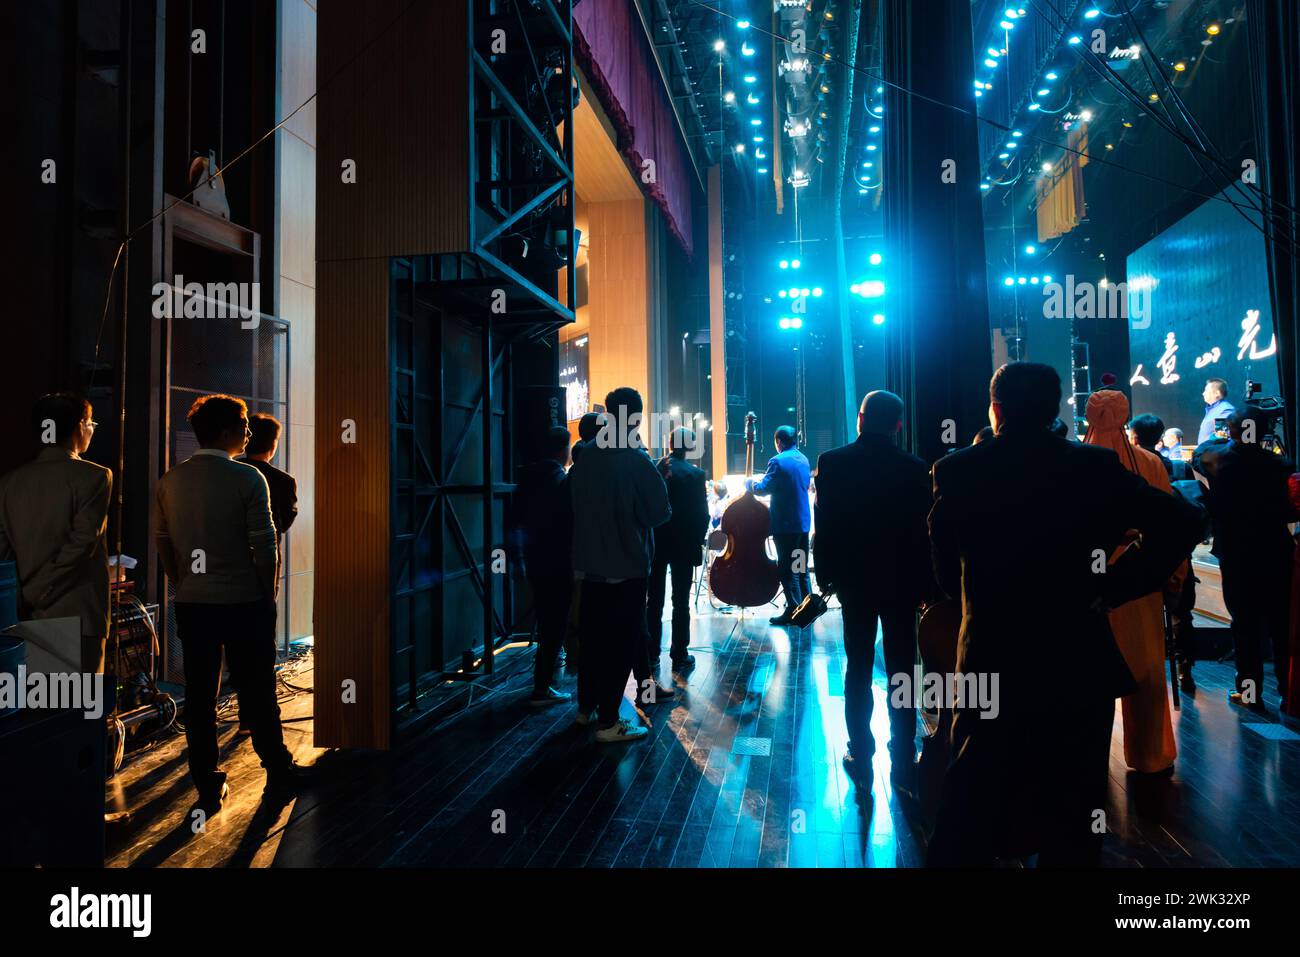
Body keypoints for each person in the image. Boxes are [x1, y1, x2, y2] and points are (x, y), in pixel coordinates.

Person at [926, 363, 1200, 867]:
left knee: (973, 798)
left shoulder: (960, 470)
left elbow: (945, 574)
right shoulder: (1092, 467)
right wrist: (1116, 586)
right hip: (1077, 658)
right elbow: (1183, 520)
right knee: (1074, 810)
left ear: (997, 409)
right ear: (1055, 409)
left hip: (993, 659)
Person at [154, 394, 305, 815]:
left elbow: (163, 541)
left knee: (200, 696)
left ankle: (207, 783)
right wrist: (266, 594)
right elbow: (264, 545)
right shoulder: (247, 478)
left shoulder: (171, 480)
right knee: (258, 688)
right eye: (242, 423)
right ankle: (277, 769)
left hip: (193, 602)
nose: (248, 431)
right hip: (243, 599)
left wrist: (181, 580)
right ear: (225, 431)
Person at [814, 391, 933, 795]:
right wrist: (924, 584)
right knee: (903, 668)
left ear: (861, 419)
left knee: (858, 666)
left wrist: (826, 576)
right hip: (901, 582)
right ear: (898, 425)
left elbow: (825, 525)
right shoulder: (915, 468)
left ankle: (859, 752)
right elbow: (922, 534)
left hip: (855, 581)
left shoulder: (833, 463)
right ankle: (903, 754)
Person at [567, 387, 671, 742]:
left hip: (587, 565)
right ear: (637, 417)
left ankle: (586, 709)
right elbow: (658, 513)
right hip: (626, 567)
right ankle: (609, 722)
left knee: (593, 639)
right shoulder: (636, 458)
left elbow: (572, 506)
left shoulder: (586, 456)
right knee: (622, 643)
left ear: (608, 413)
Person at [1086, 392, 1180, 774]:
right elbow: (1172, 525)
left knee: (1089, 675)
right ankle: (1150, 754)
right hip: (1139, 578)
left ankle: (1086, 757)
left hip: (1088, 581)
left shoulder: (1077, 462)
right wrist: (1174, 577)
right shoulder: (1149, 463)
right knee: (1145, 671)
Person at [0, 393, 111, 675]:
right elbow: (83, 543)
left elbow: (4, 553)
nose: (92, 430)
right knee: (79, 709)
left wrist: (27, 595)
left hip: (25, 613)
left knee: (44, 709)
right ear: (78, 426)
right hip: (78, 609)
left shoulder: (9, 483)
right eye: (91, 423)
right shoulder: (95, 476)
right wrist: (42, 589)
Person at [1194, 406, 1295, 713]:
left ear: (1233, 431)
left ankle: (1250, 692)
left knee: (1245, 624)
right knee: (1281, 624)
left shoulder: (1216, 461)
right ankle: (1289, 692)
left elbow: (1201, 452)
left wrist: (1229, 439)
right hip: (1276, 550)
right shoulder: (1282, 465)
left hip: (1237, 552)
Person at [514, 426, 575, 706]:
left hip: (534, 561)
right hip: (559, 563)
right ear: (564, 450)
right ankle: (542, 687)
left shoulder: (525, 478)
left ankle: (542, 683)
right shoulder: (560, 481)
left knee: (545, 622)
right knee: (555, 625)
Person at [647, 428, 709, 672]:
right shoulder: (695, 474)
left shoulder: (655, 466)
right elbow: (702, 513)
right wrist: (697, 540)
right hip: (684, 543)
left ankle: (651, 653)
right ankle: (679, 654)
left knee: (654, 601)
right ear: (691, 445)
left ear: (670, 443)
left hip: (657, 541)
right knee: (680, 601)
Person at [748, 425, 811, 624]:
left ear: (779, 442)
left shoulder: (777, 461)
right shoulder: (803, 459)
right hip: (802, 524)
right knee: (800, 567)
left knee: (786, 568)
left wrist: (749, 484)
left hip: (785, 526)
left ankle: (793, 610)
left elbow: (763, 489)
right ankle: (807, 608)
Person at [236, 413, 298, 543]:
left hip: (230, 550)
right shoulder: (284, 480)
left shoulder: (230, 470)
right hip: (268, 550)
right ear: (273, 445)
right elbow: (284, 523)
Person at [1197, 378, 1235, 446]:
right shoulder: (1212, 410)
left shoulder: (1225, 410)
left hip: (1215, 454)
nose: (1203, 393)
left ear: (1217, 393)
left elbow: (1221, 438)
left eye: (1206, 390)